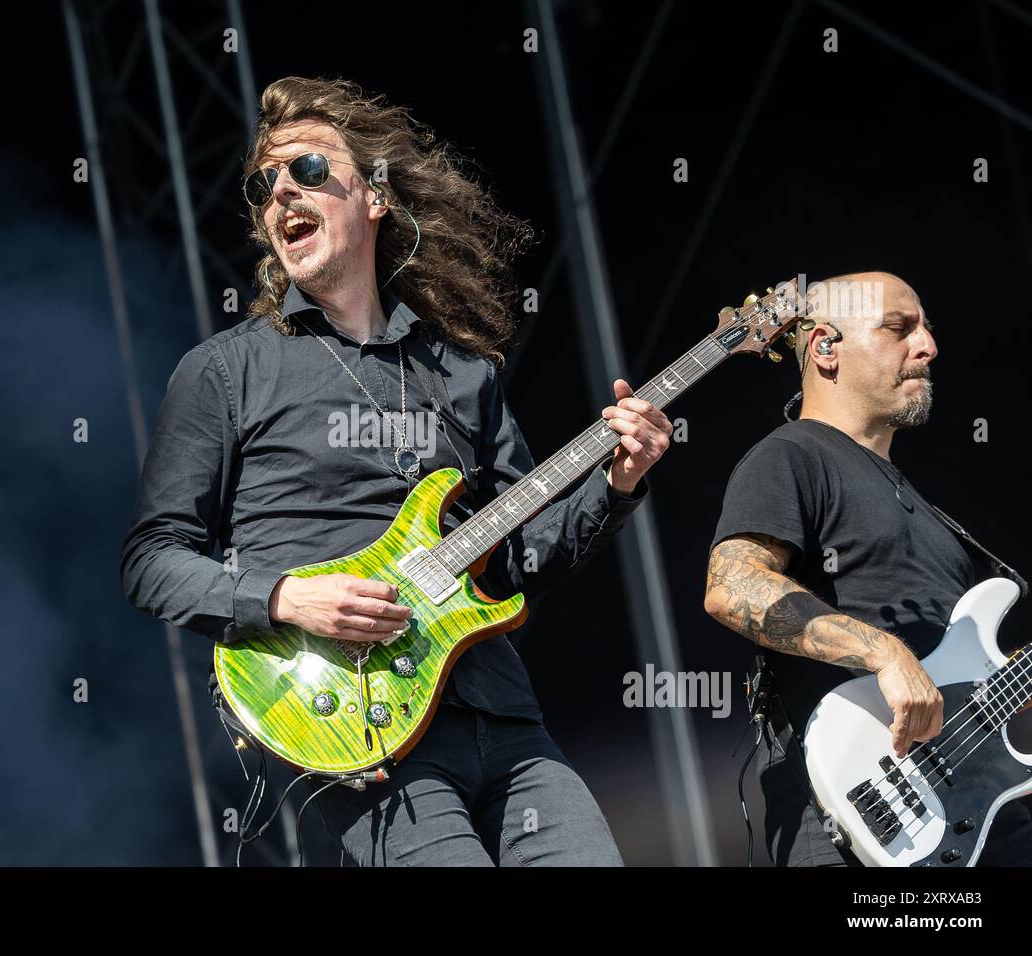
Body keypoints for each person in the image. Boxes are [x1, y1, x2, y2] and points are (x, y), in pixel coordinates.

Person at [120, 76, 673, 866]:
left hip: (502, 715)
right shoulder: (225, 372)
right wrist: (286, 596)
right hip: (355, 721)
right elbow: (151, 562)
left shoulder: (463, 373)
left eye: (307, 170)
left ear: (376, 195)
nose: (280, 194)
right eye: (262, 185)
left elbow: (518, 558)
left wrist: (616, 484)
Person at [704, 271, 1032, 865]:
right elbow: (733, 587)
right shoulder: (793, 454)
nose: (928, 345)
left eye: (927, 329)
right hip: (858, 814)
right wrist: (886, 653)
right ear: (825, 347)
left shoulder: (930, 516)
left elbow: (964, 679)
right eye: (900, 328)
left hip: (977, 815)